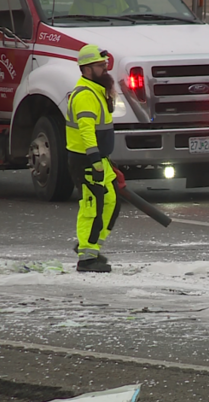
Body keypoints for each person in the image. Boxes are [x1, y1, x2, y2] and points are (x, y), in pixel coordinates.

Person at [66, 45, 121, 273]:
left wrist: (105, 162)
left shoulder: (95, 90)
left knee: (111, 202)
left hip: (100, 160)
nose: (105, 70)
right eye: (100, 66)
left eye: (105, 66)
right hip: (87, 160)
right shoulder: (85, 95)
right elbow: (87, 131)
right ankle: (87, 258)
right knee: (92, 206)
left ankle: (90, 245)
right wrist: (95, 160)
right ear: (87, 69)